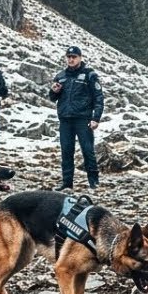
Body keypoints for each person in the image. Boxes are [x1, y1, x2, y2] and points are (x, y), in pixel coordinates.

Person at [48, 45, 104, 190]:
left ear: (80, 58)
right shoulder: (61, 76)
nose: (71, 59)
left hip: (83, 118)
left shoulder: (89, 75)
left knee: (87, 150)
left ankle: (94, 180)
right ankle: (67, 182)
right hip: (65, 119)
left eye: (74, 57)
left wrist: (96, 118)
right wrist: (54, 91)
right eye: (69, 57)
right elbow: (53, 97)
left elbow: (98, 97)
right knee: (66, 151)